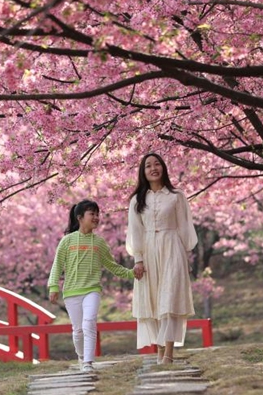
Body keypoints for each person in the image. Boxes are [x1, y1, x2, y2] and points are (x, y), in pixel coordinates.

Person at [48, 199, 140, 373]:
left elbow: (112, 266)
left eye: (98, 214)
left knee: (89, 322)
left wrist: (130, 273)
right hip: (71, 292)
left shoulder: (99, 243)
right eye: (92, 214)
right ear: (80, 217)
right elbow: (57, 265)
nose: (96, 217)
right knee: (78, 330)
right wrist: (53, 287)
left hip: (92, 290)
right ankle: (82, 357)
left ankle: (88, 363)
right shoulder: (67, 241)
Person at [126, 153, 198, 364]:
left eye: (157, 164)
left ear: (164, 168)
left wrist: (185, 257)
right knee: (153, 300)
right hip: (147, 251)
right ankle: (158, 350)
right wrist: (138, 259)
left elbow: (185, 227)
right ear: (143, 172)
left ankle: (168, 353)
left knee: (169, 298)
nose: (153, 168)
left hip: (172, 248)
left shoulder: (176, 196)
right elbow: (135, 231)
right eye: (148, 165)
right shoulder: (137, 200)